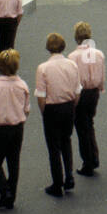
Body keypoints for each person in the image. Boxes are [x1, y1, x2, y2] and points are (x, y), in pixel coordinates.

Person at [35, 33, 82, 198]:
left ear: (48, 48)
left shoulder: (43, 68)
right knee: (66, 141)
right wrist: (72, 105)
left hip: (52, 108)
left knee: (53, 147)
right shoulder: (72, 65)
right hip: (68, 106)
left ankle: (57, 182)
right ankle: (69, 176)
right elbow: (77, 90)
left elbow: (41, 95)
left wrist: (44, 111)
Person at [0, 48, 30, 210]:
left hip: (1, 128)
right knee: (13, 161)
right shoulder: (22, 85)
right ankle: (12, 194)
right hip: (17, 128)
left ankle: (4, 189)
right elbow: (26, 109)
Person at [69, 22, 106, 176]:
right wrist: (100, 88)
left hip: (81, 93)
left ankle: (88, 162)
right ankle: (94, 156)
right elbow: (102, 74)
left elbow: (73, 79)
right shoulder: (98, 54)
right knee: (89, 124)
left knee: (81, 128)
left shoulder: (73, 56)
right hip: (94, 92)